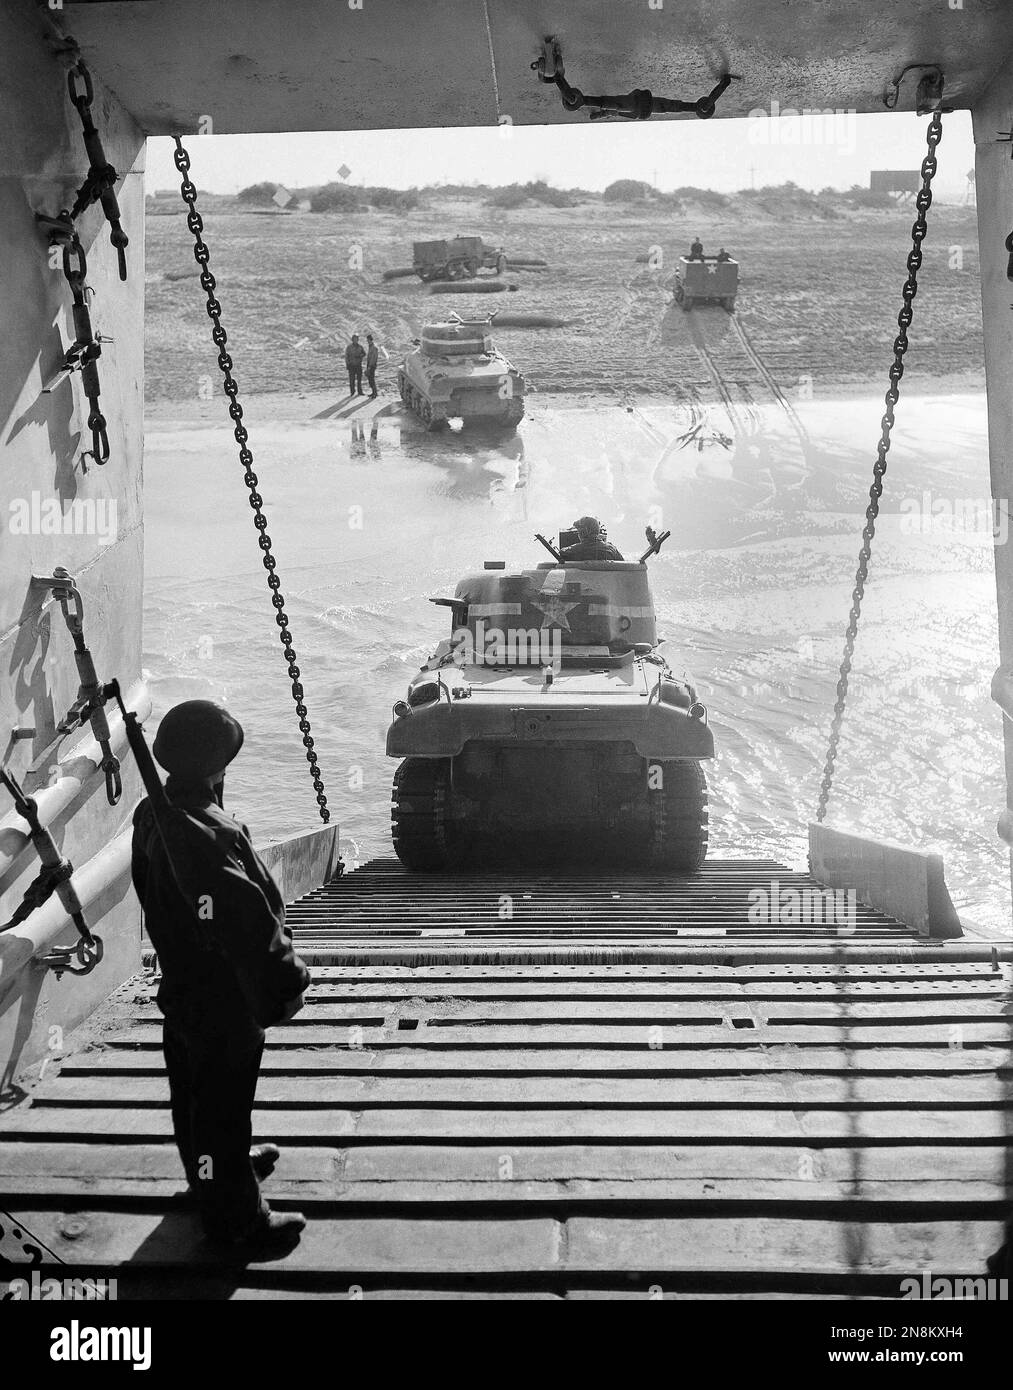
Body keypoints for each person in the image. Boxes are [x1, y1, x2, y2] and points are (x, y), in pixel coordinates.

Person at [130, 700, 311, 1252]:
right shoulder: (208, 838)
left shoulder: (153, 814)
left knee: (192, 1097)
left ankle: (208, 1175)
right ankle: (238, 1220)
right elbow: (248, 924)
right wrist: (289, 979)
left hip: (182, 988)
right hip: (222, 998)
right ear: (216, 767)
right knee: (224, 1107)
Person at [560, 516, 624, 561]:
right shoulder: (612, 549)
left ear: (582, 533)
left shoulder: (575, 550)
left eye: (578, 532)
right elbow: (623, 564)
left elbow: (562, 554)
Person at [365, 334, 379, 398]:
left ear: (370, 339)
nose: (367, 341)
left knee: (371, 379)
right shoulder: (370, 346)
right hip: (369, 364)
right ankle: (373, 392)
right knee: (370, 379)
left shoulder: (374, 347)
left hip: (372, 365)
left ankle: (375, 393)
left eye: (367, 340)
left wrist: (370, 366)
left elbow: (373, 358)